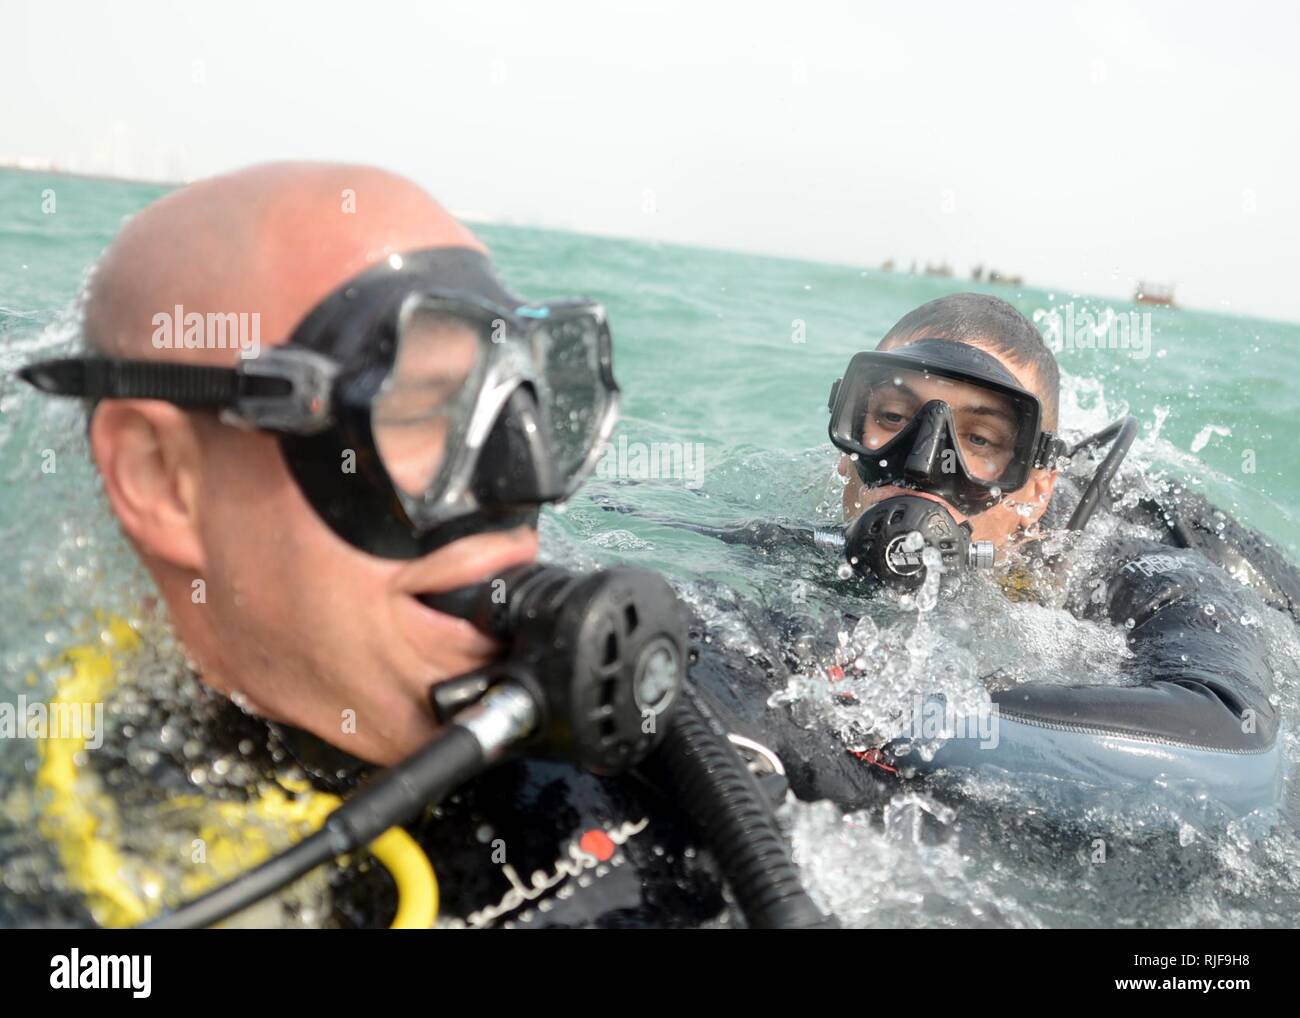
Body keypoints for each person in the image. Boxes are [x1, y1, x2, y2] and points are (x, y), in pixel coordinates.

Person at [13, 162, 822, 929]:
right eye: (421, 409)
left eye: (527, 401)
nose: (521, 480)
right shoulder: (72, 874)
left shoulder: (703, 680)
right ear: (162, 479)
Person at [818, 293, 1290, 815]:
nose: (923, 461)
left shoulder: (1142, 575)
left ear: (1037, 489)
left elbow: (1236, 751)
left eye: (978, 438)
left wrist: (886, 711)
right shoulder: (791, 543)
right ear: (847, 445)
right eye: (891, 415)